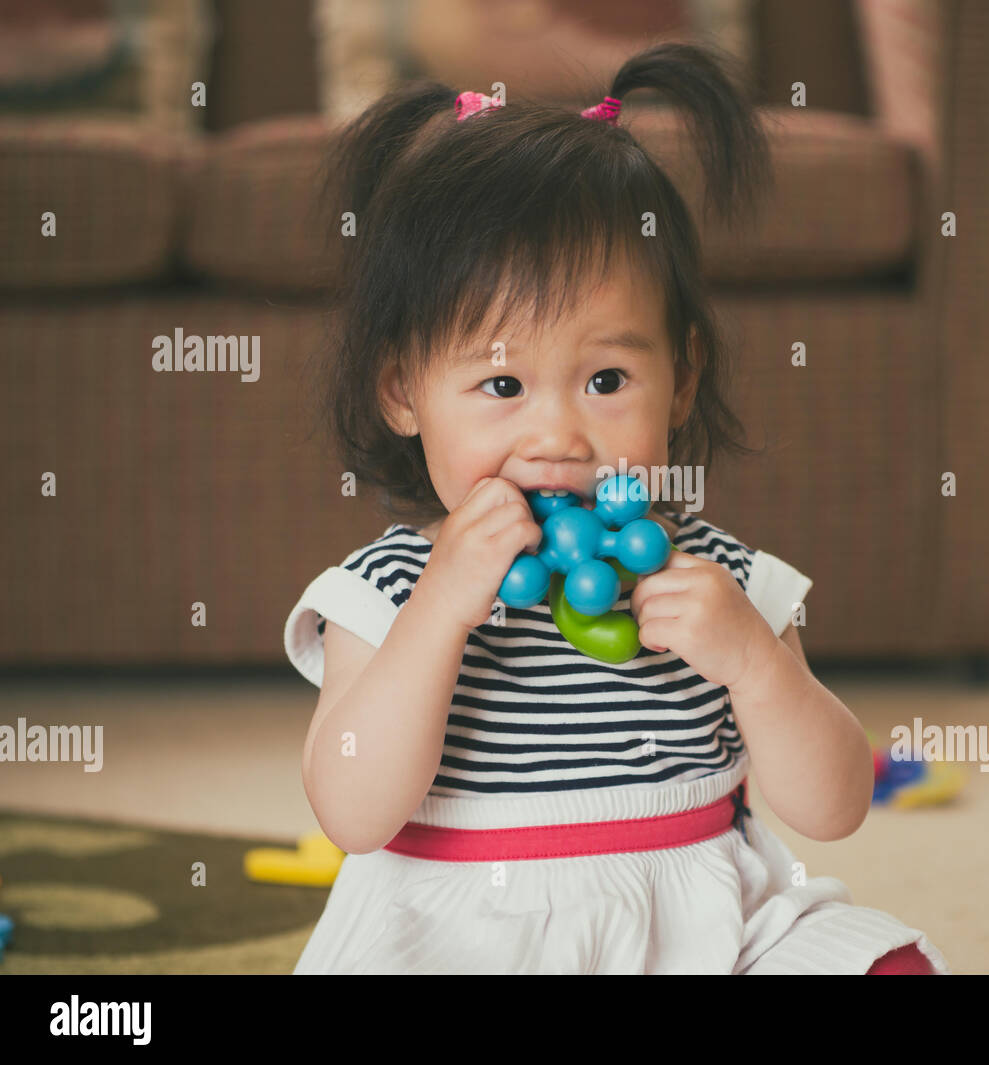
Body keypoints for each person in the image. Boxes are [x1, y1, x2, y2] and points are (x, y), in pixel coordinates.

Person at [283, 41, 949, 975]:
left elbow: (833, 807)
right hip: (467, 938)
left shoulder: (719, 580)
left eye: (606, 378)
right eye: (502, 381)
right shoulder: (385, 592)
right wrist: (440, 612)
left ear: (681, 381)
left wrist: (756, 665)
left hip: (704, 928)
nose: (558, 433)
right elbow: (353, 810)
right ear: (401, 391)